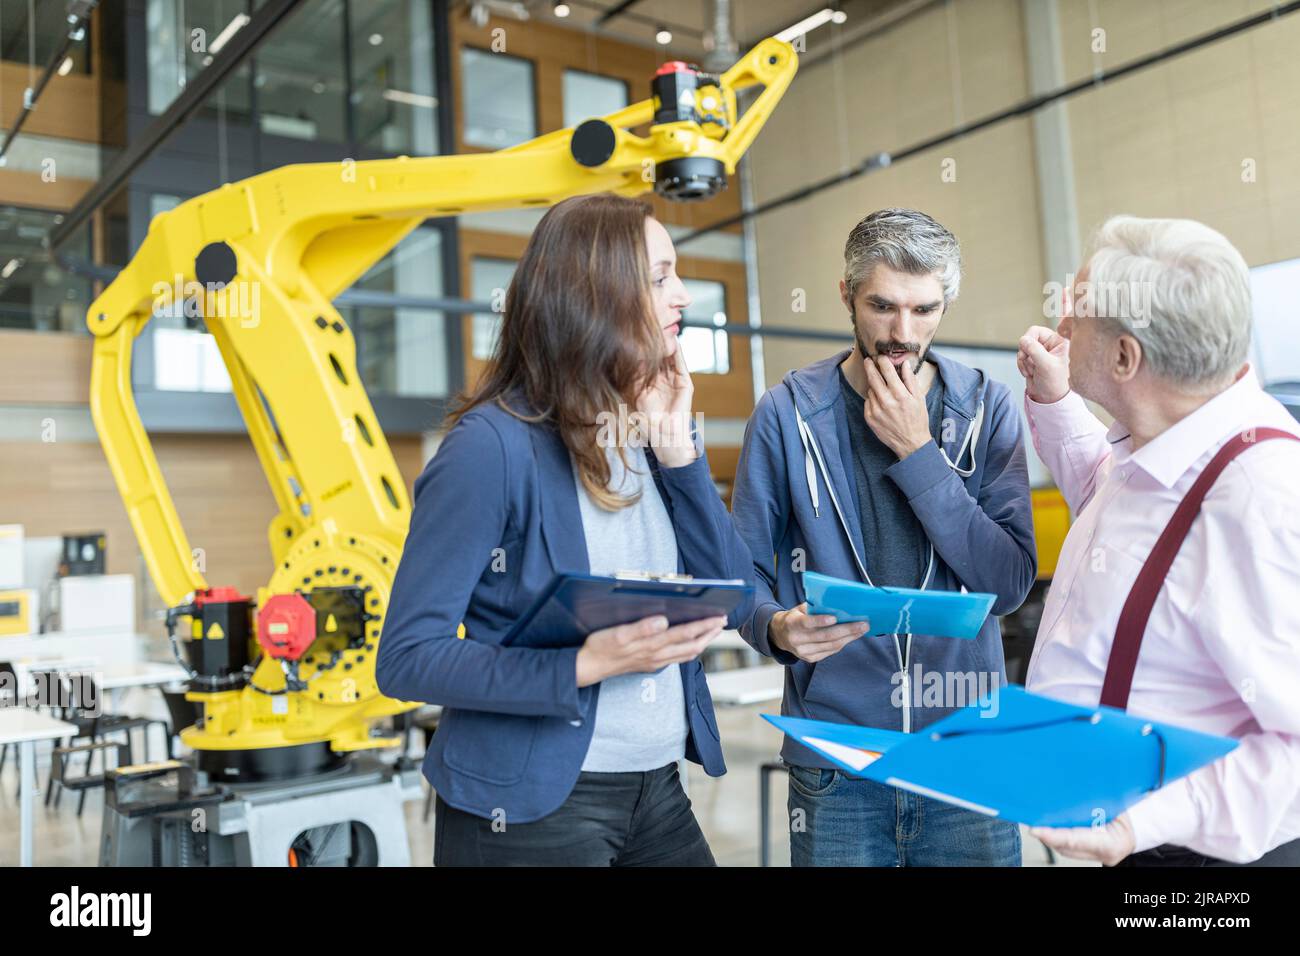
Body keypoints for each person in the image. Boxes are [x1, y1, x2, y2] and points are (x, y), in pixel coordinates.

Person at [376, 192, 752, 866]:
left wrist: (679, 455)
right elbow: (407, 658)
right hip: (528, 806)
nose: (684, 296)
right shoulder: (490, 448)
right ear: (596, 293)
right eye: (661, 276)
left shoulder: (648, 429)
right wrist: (587, 664)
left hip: (658, 788)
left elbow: (741, 597)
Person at [731, 207, 1036, 866]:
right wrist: (776, 627)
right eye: (883, 307)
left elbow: (1008, 584)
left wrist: (918, 451)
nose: (903, 333)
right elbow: (742, 574)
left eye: (925, 310)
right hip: (837, 760)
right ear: (846, 295)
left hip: (965, 753)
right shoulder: (787, 414)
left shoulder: (986, 408)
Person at [1017, 215, 1300, 866]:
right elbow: (1119, 505)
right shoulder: (1173, 435)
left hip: (1200, 854)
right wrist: (1055, 399)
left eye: (1077, 316)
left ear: (1124, 358)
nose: (1061, 329)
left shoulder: (1262, 504)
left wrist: (1140, 823)